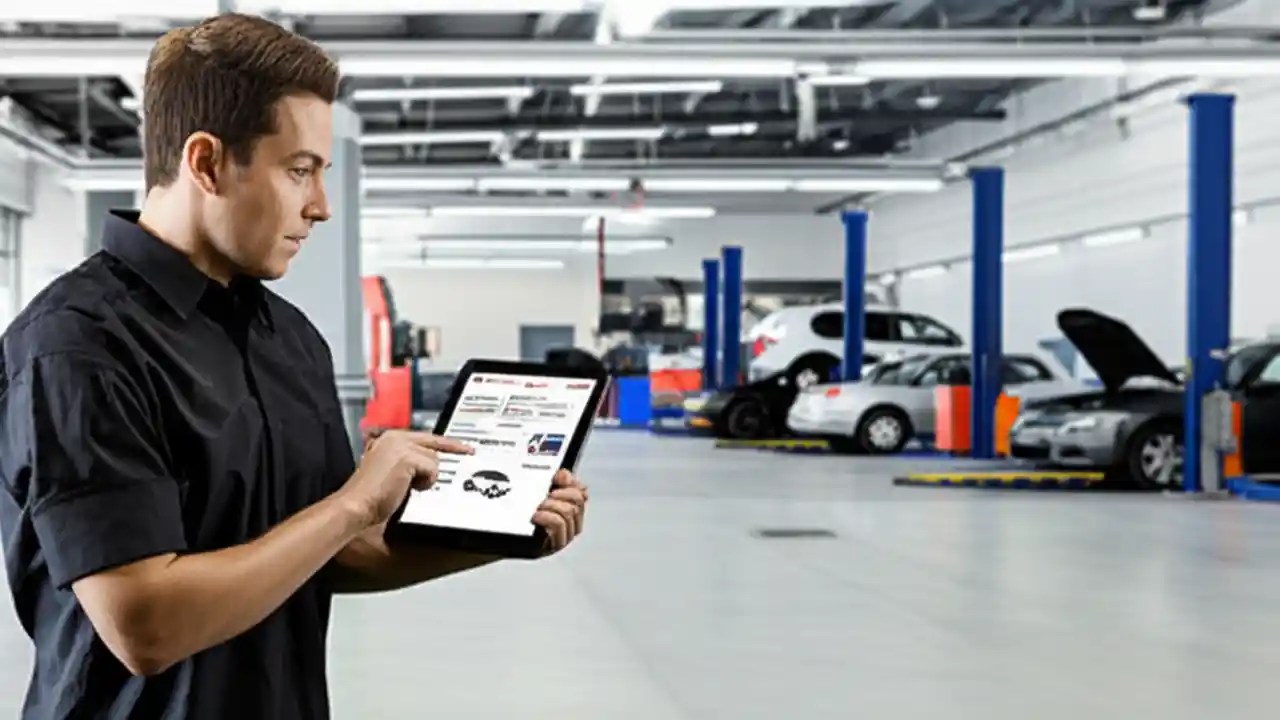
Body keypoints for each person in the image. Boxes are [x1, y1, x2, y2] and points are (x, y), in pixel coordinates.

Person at [0, 12, 588, 720]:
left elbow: (328, 554)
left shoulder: (291, 339)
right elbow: (143, 624)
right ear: (206, 162)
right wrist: (352, 504)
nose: (321, 207)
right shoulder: (78, 345)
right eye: (299, 170)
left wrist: (501, 530)